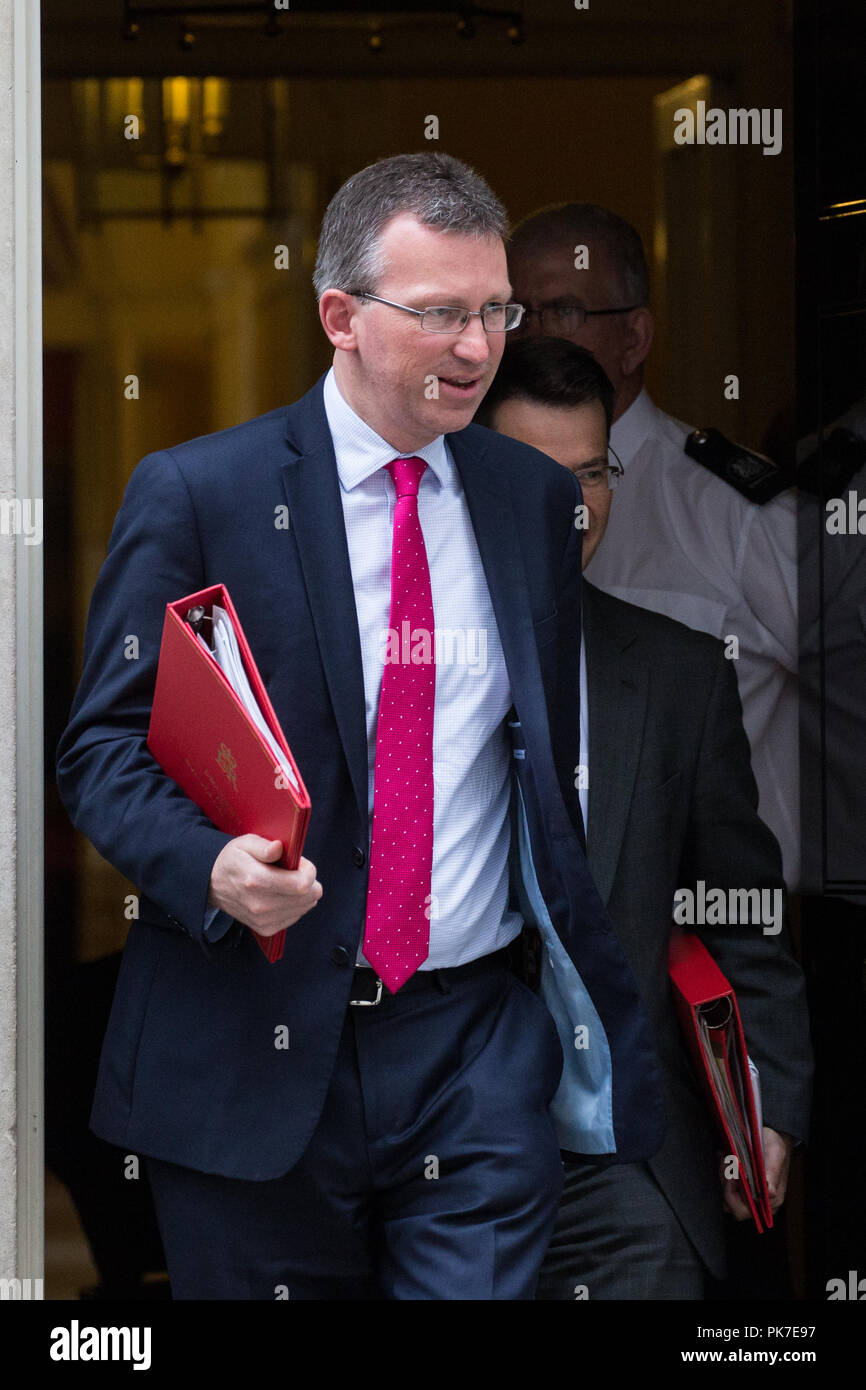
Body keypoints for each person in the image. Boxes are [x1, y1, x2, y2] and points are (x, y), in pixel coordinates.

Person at [55, 153, 666, 1301]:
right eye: (440, 314)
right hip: (252, 1039)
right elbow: (99, 749)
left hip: (472, 1048)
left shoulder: (528, 500)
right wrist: (210, 867)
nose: (478, 347)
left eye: (494, 310)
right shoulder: (200, 493)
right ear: (339, 315)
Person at [476, 336, 812, 1299]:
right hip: (437, 1153)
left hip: (623, 1160)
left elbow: (740, 911)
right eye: (543, 475)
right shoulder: (399, 664)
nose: (574, 507)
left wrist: (771, 1105)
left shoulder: (677, 672)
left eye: (593, 473)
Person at [507, 204, 800, 890]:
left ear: (634, 337)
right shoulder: (450, 494)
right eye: (515, 312)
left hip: (697, 915)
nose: (533, 336)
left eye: (564, 310)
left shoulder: (739, 515)